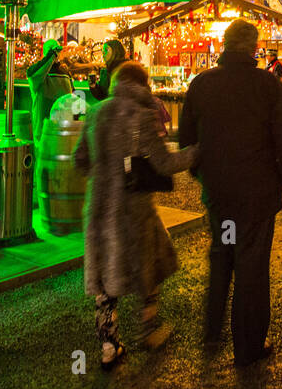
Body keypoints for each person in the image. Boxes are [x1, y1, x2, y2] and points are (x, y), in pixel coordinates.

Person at [178, 19, 282, 366]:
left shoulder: (202, 84)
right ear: (253, 47)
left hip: (220, 191)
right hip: (257, 194)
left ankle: (212, 332)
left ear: (224, 45)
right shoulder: (267, 85)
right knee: (251, 266)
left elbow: (186, 139)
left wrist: (202, 174)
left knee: (222, 254)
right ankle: (247, 347)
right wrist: (281, 176)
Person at [75, 61, 199, 370]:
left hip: (99, 208)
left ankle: (109, 345)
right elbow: (163, 164)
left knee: (105, 280)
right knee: (150, 268)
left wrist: (102, 176)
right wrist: (198, 152)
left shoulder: (95, 111)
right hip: (133, 210)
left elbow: (80, 159)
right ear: (143, 84)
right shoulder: (142, 115)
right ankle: (149, 330)